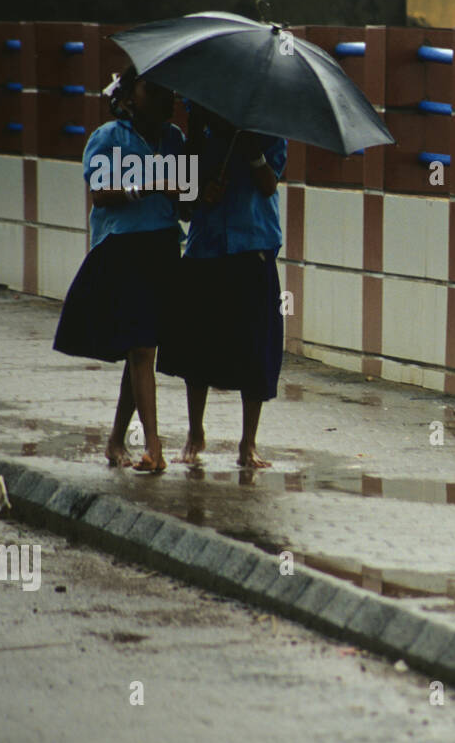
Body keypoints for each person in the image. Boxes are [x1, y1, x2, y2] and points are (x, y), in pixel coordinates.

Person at [52, 66, 185, 473]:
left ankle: (115, 441)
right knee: (142, 348)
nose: (164, 98)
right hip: (123, 249)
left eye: (168, 92)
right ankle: (154, 446)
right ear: (128, 98)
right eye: (153, 90)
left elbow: (185, 197)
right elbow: (101, 195)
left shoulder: (176, 139)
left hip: (163, 246)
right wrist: (144, 185)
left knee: (141, 347)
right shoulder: (109, 138)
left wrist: (197, 189)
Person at [157, 102, 286, 468]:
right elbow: (183, 199)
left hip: (253, 245)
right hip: (207, 247)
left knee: (254, 348)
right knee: (199, 346)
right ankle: (195, 432)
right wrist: (202, 193)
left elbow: (269, 184)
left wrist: (252, 151)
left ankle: (249, 443)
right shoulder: (199, 134)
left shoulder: (269, 129)